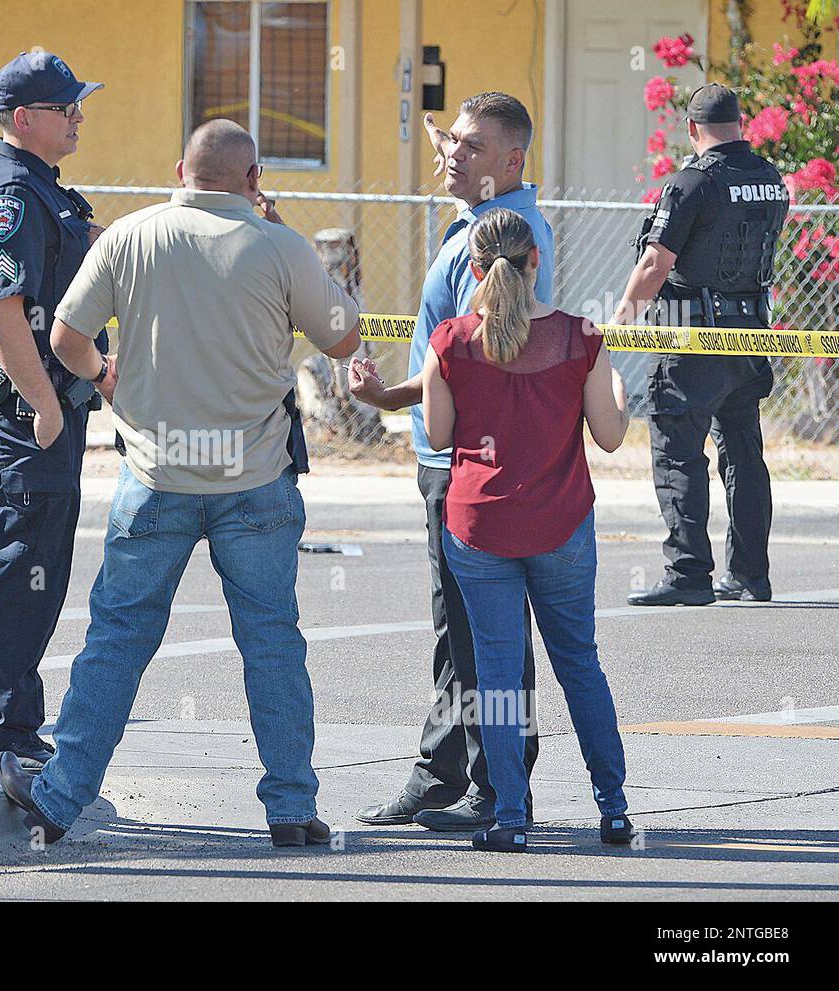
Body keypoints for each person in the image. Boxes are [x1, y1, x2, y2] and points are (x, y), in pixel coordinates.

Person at [0, 119, 363, 847]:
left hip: (155, 476)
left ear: (179, 170)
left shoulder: (130, 235)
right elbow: (344, 340)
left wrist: (104, 376)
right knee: (273, 645)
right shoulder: (279, 245)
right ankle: (291, 808)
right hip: (254, 478)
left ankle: (61, 796)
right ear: (253, 178)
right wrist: (284, 238)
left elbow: (66, 339)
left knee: (118, 640)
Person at [348, 93, 553, 833]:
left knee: (485, 630)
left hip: (471, 460)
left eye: (471, 146)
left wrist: (382, 395)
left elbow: (474, 361)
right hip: (449, 455)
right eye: (452, 142)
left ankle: (499, 785)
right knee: (457, 628)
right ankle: (443, 769)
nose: (453, 154)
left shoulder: (508, 238)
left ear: (511, 160)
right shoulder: (475, 225)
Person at [422, 206, 637, 852]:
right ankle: (615, 807)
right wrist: (619, 387)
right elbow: (610, 434)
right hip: (561, 523)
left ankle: (510, 815)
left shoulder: (453, 341)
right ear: (537, 260)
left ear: (476, 270)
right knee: (580, 665)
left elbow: (437, 435)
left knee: (497, 674)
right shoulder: (581, 338)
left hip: (480, 525)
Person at [0, 51, 115, 777]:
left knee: (39, 563)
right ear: (25, 119)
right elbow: (2, 309)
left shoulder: (38, 188)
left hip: (47, 405)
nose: (79, 116)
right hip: (24, 413)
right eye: (65, 107)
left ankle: (16, 724)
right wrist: (43, 403)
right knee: (20, 566)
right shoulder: (10, 192)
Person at [613, 83, 787, 607]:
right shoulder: (771, 181)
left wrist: (621, 323)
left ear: (692, 130)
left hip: (692, 340)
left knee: (678, 454)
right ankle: (750, 575)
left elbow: (654, 263)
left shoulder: (691, 184)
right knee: (743, 456)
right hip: (749, 336)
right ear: (740, 125)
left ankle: (688, 574)